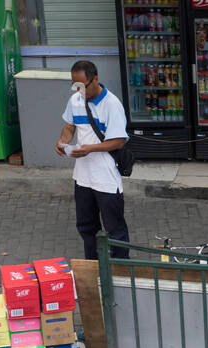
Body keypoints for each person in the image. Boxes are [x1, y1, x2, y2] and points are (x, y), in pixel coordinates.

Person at [56, 60, 130, 260]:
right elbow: (70, 126)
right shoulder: (75, 101)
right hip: (83, 177)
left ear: (95, 79)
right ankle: (94, 266)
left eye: (83, 85)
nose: (80, 90)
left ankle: (121, 269)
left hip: (106, 176)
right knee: (86, 226)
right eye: (75, 86)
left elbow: (118, 141)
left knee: (115, 228)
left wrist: (91, 149)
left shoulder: (112, 104)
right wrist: (63, 141)